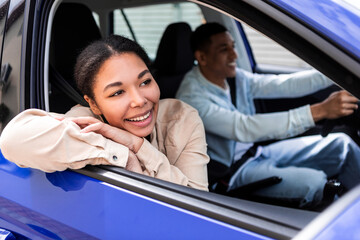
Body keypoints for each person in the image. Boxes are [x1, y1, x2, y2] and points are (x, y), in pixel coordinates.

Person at [176, 22, 360, 207]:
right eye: (224, 49)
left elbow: (283, 85)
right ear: (202, 57)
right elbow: (243, 127)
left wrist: (340, 68)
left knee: (343, 146)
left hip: (257, 152)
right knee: (316, 183)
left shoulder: (234, 78)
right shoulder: (191, 98)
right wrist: (320, 110)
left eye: (233, 46)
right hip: (232, 172)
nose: (234, 55)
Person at [0, 35, 209, 191]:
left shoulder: (181, 117)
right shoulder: (87, 119)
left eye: (145, 82)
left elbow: (200, 205)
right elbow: (13, 140)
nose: (139, 100)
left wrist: (137, 145)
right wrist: (124, 156)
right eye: (117, 92)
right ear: (94, 104)